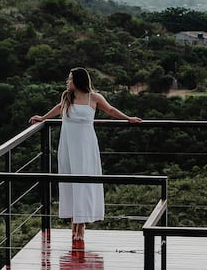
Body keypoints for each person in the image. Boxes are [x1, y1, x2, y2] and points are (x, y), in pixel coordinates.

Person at [29, 67, 141, 244]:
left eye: (70, 78)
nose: (68, 81)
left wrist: (128, 118)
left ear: (78, 80)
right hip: (67, 146)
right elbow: (59, 108)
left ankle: (81, 225)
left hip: (85, 147)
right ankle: (74, 222)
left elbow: (110, 110)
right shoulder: (67, 96)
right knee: (70, 184)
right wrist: (43, 118)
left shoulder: (94, 97)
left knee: (83, 183)